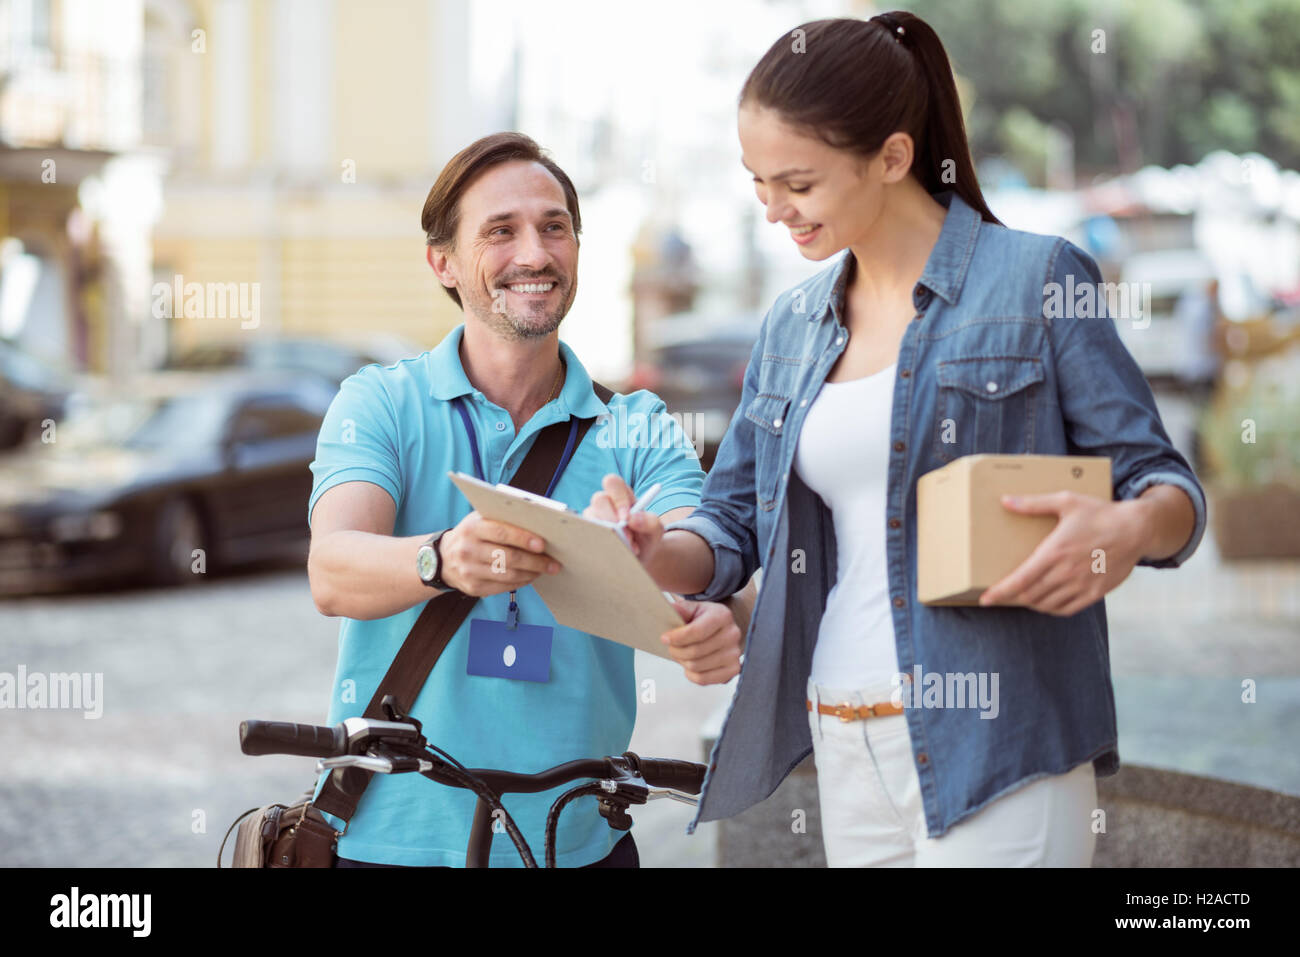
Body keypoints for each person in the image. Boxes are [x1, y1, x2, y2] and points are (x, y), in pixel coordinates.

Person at [589, 12, 1206, 867]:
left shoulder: (1035, 279)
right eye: (757, 181)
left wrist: (1129, 530)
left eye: (797, 183)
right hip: (843, 740)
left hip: (997, 746)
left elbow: (1165, 483)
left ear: (891, 156)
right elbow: (728, 527)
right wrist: (652, 548)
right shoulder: (792, 325)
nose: (772, 209)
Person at [305, 132, 754, 867]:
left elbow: (706, 552)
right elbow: (333, 570)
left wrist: (723, 613)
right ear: (442, 261)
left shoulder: (636, 424)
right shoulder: (378, 401)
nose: (535, 254)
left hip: (576, 841)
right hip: (390, 840)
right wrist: (442, 556)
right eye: (500, 231)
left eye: (554, 227)